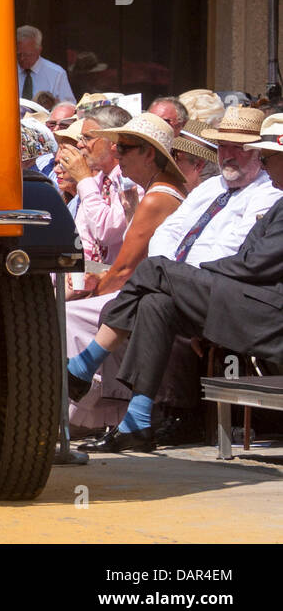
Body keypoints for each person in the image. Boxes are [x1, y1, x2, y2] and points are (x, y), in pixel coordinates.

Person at [66, 107, 283, 452]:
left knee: (156, 273)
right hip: (216, 288)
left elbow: (251, 264)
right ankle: (138, 421)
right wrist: (178, 278)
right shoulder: (212, 187)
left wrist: (188, 277)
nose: (229, 154)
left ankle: (82, 366)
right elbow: (168, 235)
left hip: (253, 303)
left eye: (242, 149)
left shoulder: (269, 195)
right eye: (223, 146)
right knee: (156, 301)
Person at [62, 114, 187, 429]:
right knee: (76, 309)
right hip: (149, 292)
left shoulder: (156, 197)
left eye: (125, 147)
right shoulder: (155, 192)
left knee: (70, 314)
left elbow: (124, 270)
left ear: (148, 154)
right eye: (116, 146)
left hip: (157, 296)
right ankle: (95, 411)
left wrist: (92, 289)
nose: (117, 154)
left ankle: (73, 417)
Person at [55, 104, 133, 287]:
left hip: (115, 285)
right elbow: (83, 240)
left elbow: (106, 232)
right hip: (87, 279)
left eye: (88, 138)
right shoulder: (98, 180)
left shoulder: (131, 181)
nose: (80, 144)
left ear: (113, 142)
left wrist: (83, 178)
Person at [15, 25, 75, 104]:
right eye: (19, 54)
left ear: (39, 50)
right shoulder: (7, 72)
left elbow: (69, 106)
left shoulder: (56, 74)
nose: (22, 58)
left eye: (27, 55)